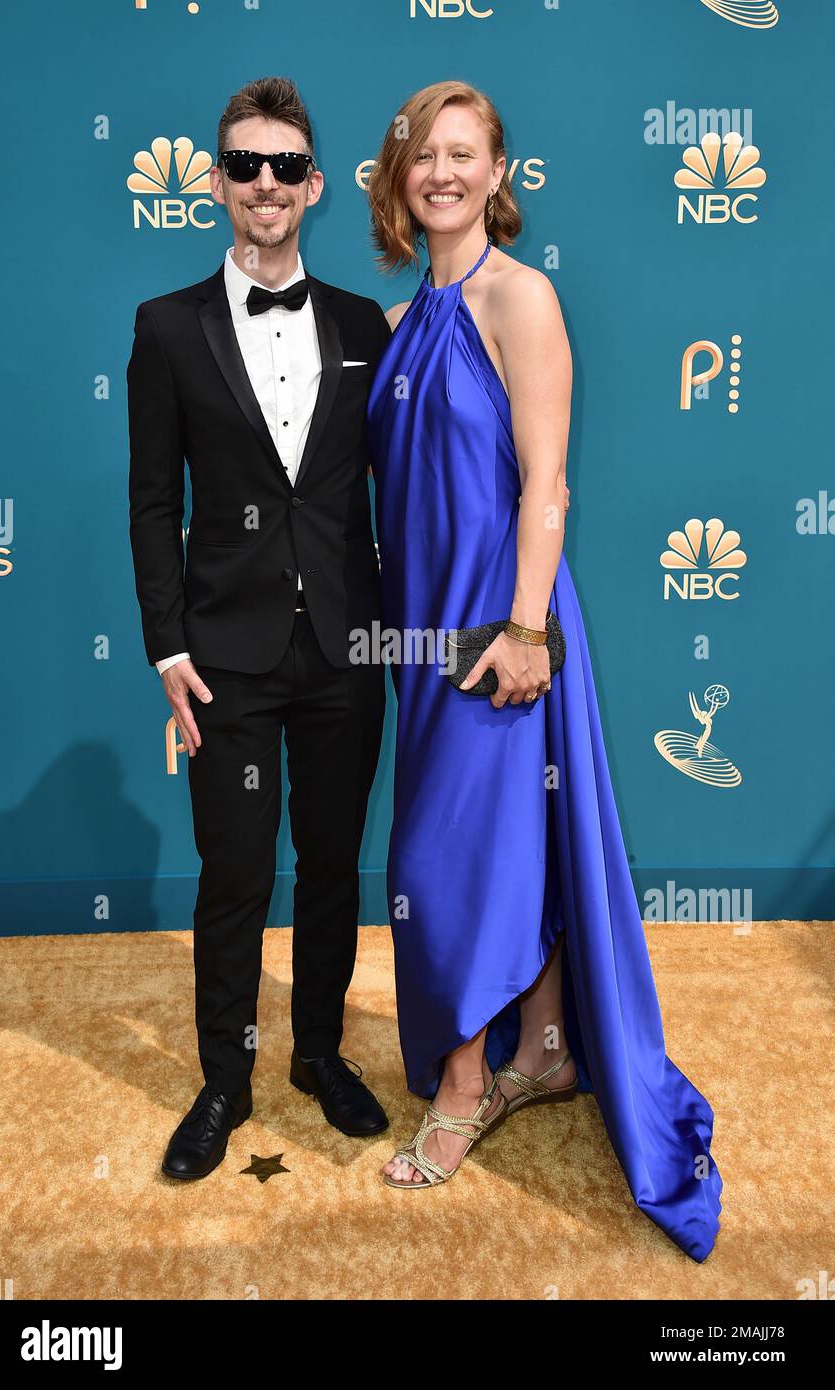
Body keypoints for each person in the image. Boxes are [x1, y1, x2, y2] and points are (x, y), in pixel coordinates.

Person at [365, 80, 722, 1262]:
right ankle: (548, 1046)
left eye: (464, 154)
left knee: (446, 855)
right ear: (398, 178)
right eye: (423, 155)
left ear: (499, 174)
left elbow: (546, 485)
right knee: (511, 840)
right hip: (428, 637)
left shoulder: (524, 298)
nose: (442, 173)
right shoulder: (412, 311)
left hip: (503, 628)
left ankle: (464, 1084)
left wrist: (523, 630)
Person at [127, 77, 390, 1180]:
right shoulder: (167, 328)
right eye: (245, 165)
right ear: (219, 185)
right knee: (234, 872)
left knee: (331, 863)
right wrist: (167, 644)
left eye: (287, 165)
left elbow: (407, 487)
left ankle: (318, 1053)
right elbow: (151, 499)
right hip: (225, 656)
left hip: (345, 646)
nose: (267, 184)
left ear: (316, 184)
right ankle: (226, 1077)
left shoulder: (363, 323)